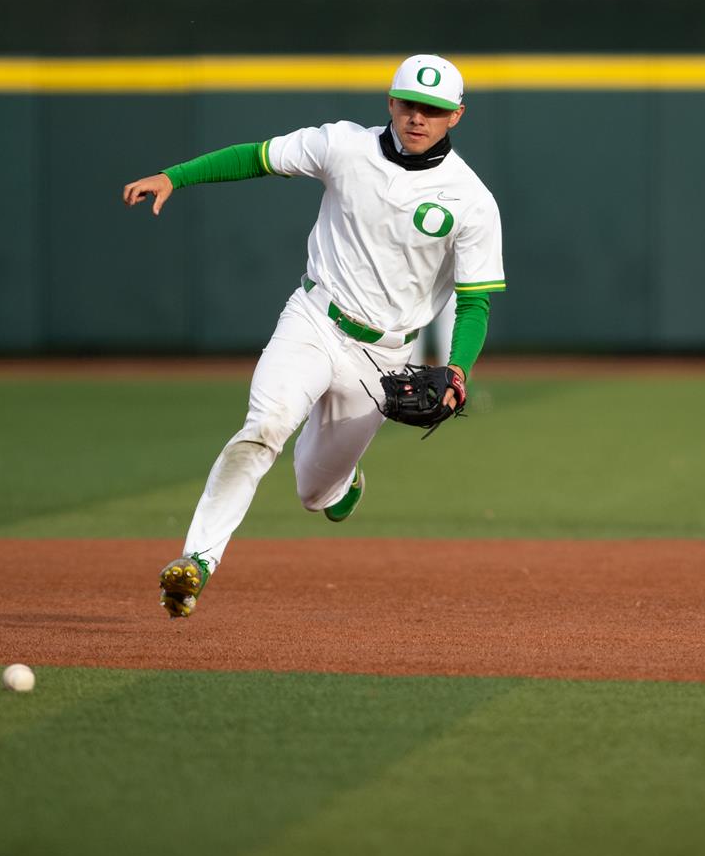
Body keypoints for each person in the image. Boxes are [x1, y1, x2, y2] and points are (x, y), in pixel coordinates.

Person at [121, 54, 506, 618]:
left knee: (313, 493)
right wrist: (174, 176)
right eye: (408, 104)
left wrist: (457, 369)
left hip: (384, 355)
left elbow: (474, 303)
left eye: (434, 109)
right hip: (314, 320)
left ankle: (342, 485)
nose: (418, 117)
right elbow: (256, 158)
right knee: (265, 427)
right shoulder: (342, 146)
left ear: (457, 116)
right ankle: (196, 562)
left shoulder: (471, 199)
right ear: (390, 102)